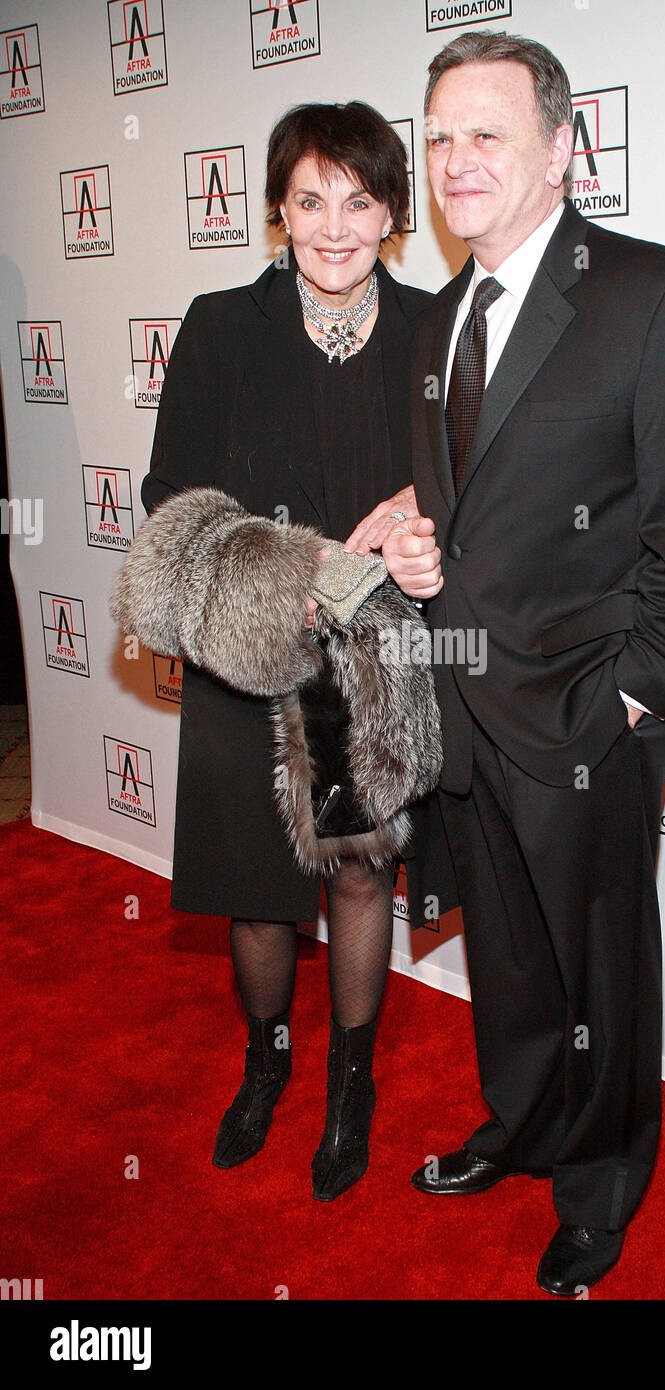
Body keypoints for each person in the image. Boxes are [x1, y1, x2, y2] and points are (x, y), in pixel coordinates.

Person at [347, 32, 665, 1292]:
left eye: (487, 134)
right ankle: (519, 1126)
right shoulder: (439, 322)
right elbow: (471, 515)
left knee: (600, 973)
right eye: (441, 138)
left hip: (588, 722)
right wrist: (422, 559)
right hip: (466, 710)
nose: (457, 162)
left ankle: (599, 1185)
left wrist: (630, 698)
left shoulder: (648, 294)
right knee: (511, 962)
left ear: (559, 148)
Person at [138, 101, 450, 1202]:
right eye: (310, 199)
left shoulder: (432, 334)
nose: (332, 227)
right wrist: (289, 573)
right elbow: (170, 497)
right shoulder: (221, 325)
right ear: (278, 205)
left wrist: (428, 516)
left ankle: (349, 1081)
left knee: (361, 868)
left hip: (366, 667)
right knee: (262, 893)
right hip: (249, 648)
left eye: (358, 202)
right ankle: (265, 1058)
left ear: (392, 214)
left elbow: (475, 490)